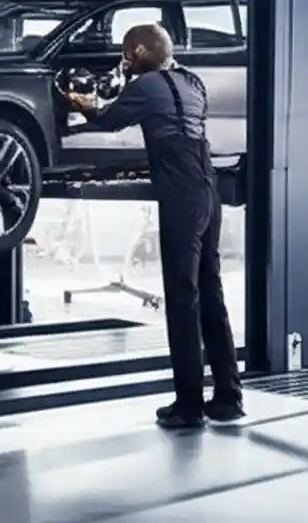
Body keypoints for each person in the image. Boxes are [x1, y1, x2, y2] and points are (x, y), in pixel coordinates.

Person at [66, 23, 244, 429]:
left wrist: (80, 104)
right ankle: (228, 397)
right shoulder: (193, 81)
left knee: (182, 297)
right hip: (207, 187)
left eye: (129, 53)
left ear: (142, 50)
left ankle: (187, 405)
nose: (125, 60)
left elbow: (109, 120)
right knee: (210, 290)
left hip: (181, 193)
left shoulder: (146, 85)